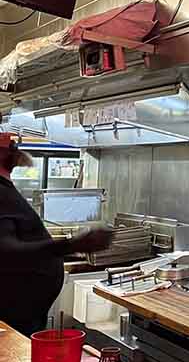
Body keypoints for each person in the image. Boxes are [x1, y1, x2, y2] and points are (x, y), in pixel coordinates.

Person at [0, 135, 112, 336]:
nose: (15, 149)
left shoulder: (5, 189)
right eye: (9, 147)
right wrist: (72, 245)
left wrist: (65, 250)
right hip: (12, 316)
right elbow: (6, 251)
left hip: (19, 313)